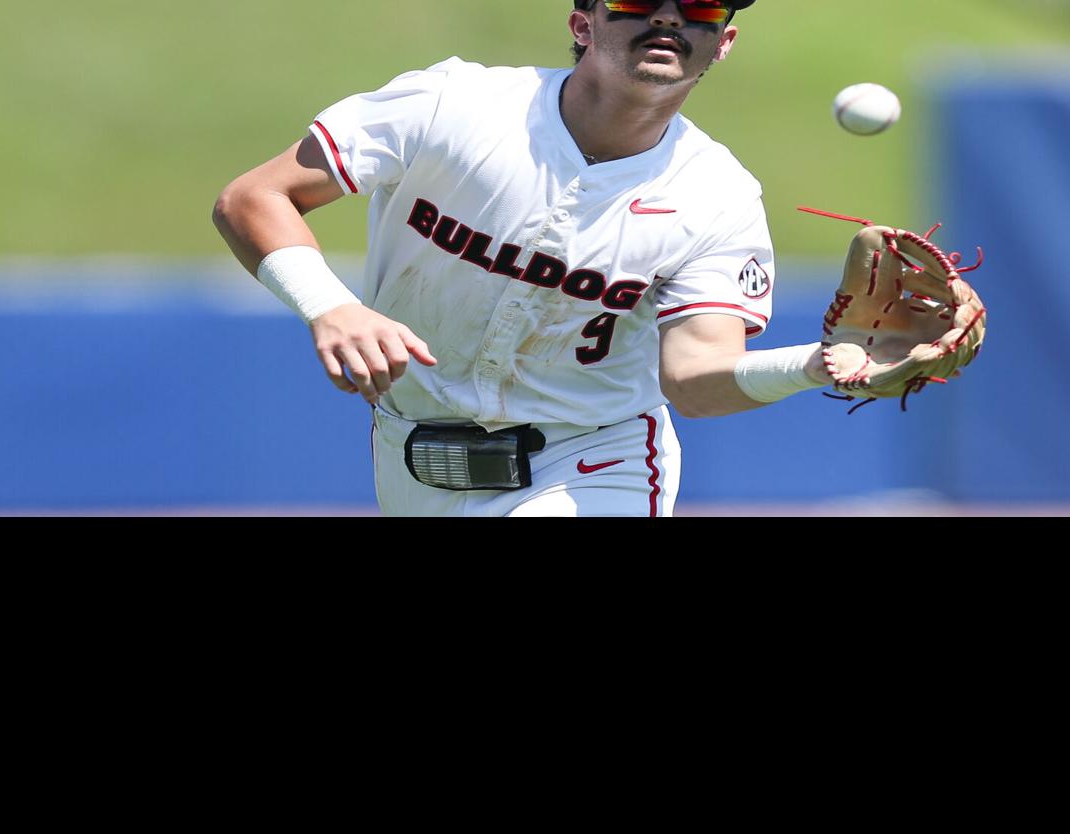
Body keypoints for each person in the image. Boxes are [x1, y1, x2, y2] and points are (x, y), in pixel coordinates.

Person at [213, 1, 836, 517]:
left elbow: (697, 379)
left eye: (697, 6)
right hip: (412, 453)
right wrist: (331, 307)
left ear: (722, 41)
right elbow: (252, 197)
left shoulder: (719, 198)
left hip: (591, 459)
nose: (668, 18)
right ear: (583, 25)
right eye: (637, 1)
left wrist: (817, 364)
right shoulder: (453, 105)